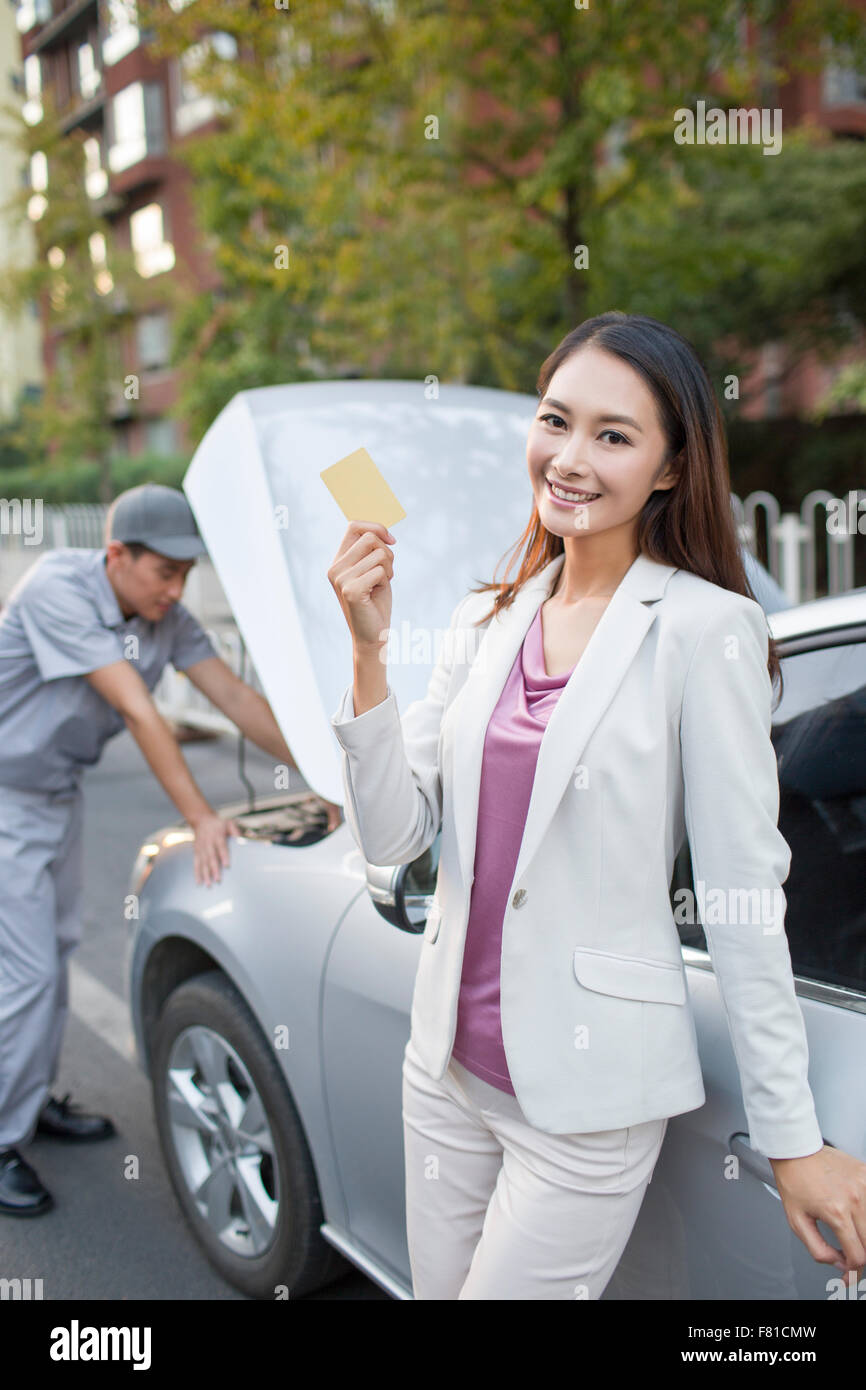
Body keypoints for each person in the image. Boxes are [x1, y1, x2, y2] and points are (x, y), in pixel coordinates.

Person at [327, 311, 866, 1299]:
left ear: (667, 468)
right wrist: (366, 652)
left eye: (612, 436)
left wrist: (790, 1141)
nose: (569, 458)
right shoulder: (486, 615)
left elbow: (746, 900)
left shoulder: (706, 630)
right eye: (555, 421)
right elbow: (396, 836)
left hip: (584, 1100)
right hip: (442, 1069)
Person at [0, 482, 342, 1218]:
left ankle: (26, 1101)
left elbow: (239, 702)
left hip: (53, 793)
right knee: (25, 970)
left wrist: (337, 780)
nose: (177, 589)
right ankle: (1, 1135)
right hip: (4, 796)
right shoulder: (57, 589)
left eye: (187, 574)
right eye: (164, 573)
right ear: (116, 555)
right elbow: (135, 706)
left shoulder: (167, 616)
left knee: (50, 952)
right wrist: (201, 814)